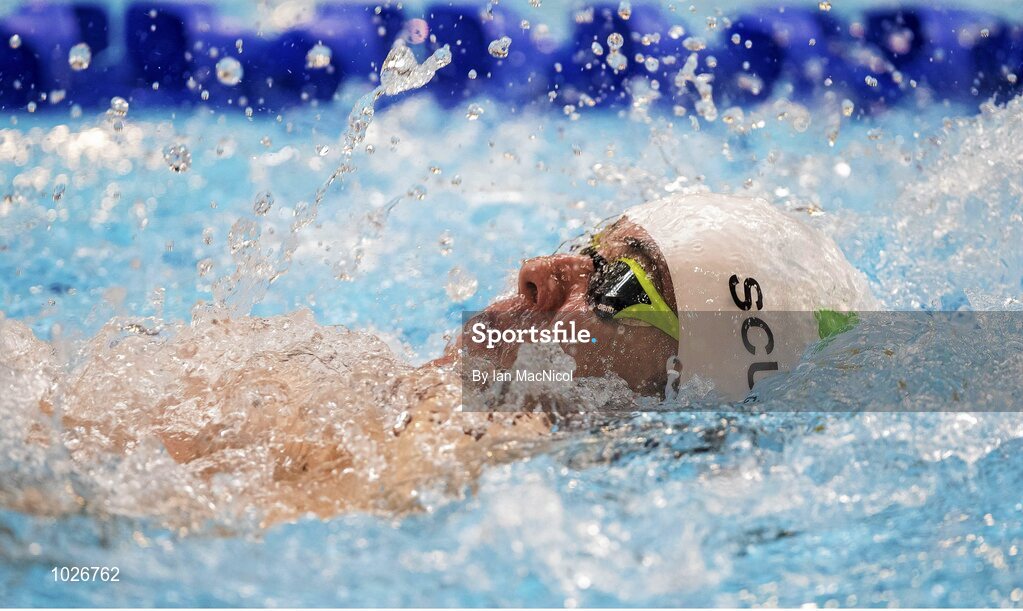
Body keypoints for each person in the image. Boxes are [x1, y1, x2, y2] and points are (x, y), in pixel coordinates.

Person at [0, 193, 875, 524]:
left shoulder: (435, 471)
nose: (540, 270)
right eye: (586, 243)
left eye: (617, 280)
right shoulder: (364, 382)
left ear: (674, 394)